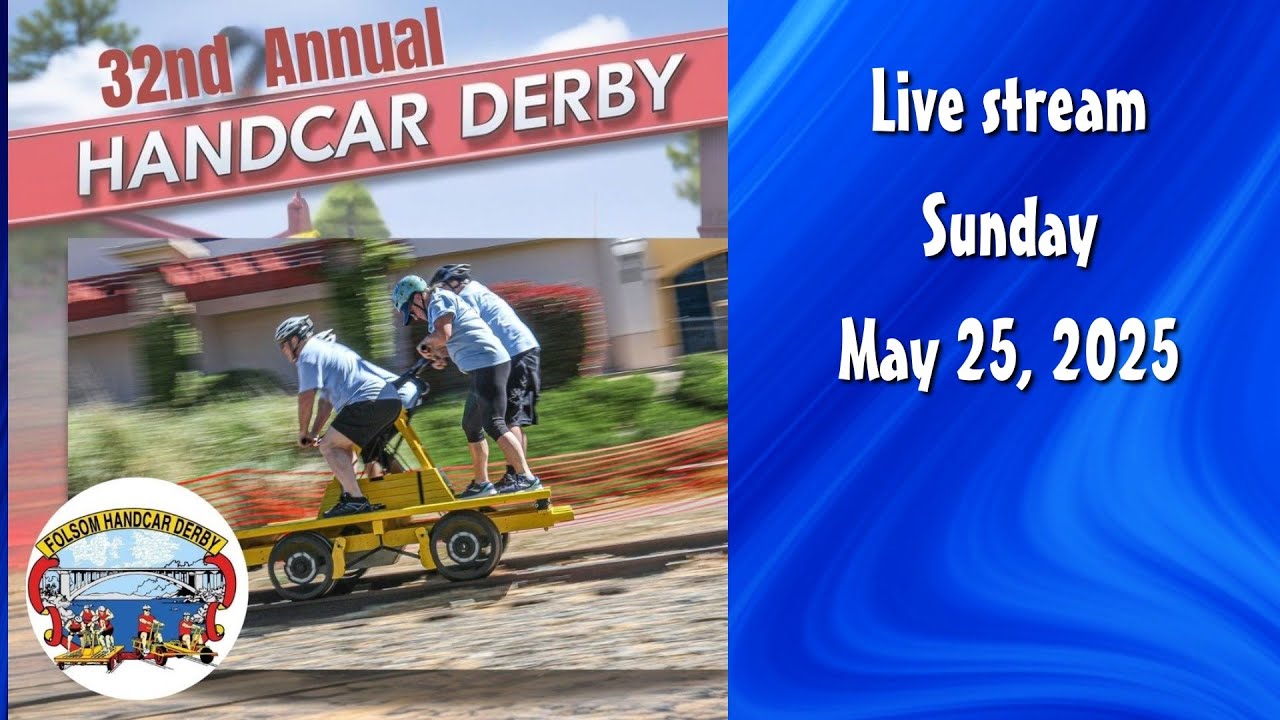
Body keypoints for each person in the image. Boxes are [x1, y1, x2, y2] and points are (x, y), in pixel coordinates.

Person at [392, 276, 541, 498]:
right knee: (471, 425)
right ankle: (482, 483)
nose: (414, 317)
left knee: (494, 423)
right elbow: (450, 338)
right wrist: (439, 354)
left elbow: (444, 334)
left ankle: (526, 478)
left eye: (411, 311)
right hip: (483, 366)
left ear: (417, 297)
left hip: (489, 364)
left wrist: (425, 344)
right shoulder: (436, 307)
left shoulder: (438, 300)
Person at [275, 315, 403, 517]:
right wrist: (313, 432)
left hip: (369, 400)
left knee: (328, 446)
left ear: (294, 340)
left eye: (282, 344)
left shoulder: (307, 354)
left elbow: (306, 398)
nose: (282, 350)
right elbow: (324, 404)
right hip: (388, 401)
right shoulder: (326, 350)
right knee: (342, 444)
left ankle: (355, 500)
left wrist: (302, 431)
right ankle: (352, 493)